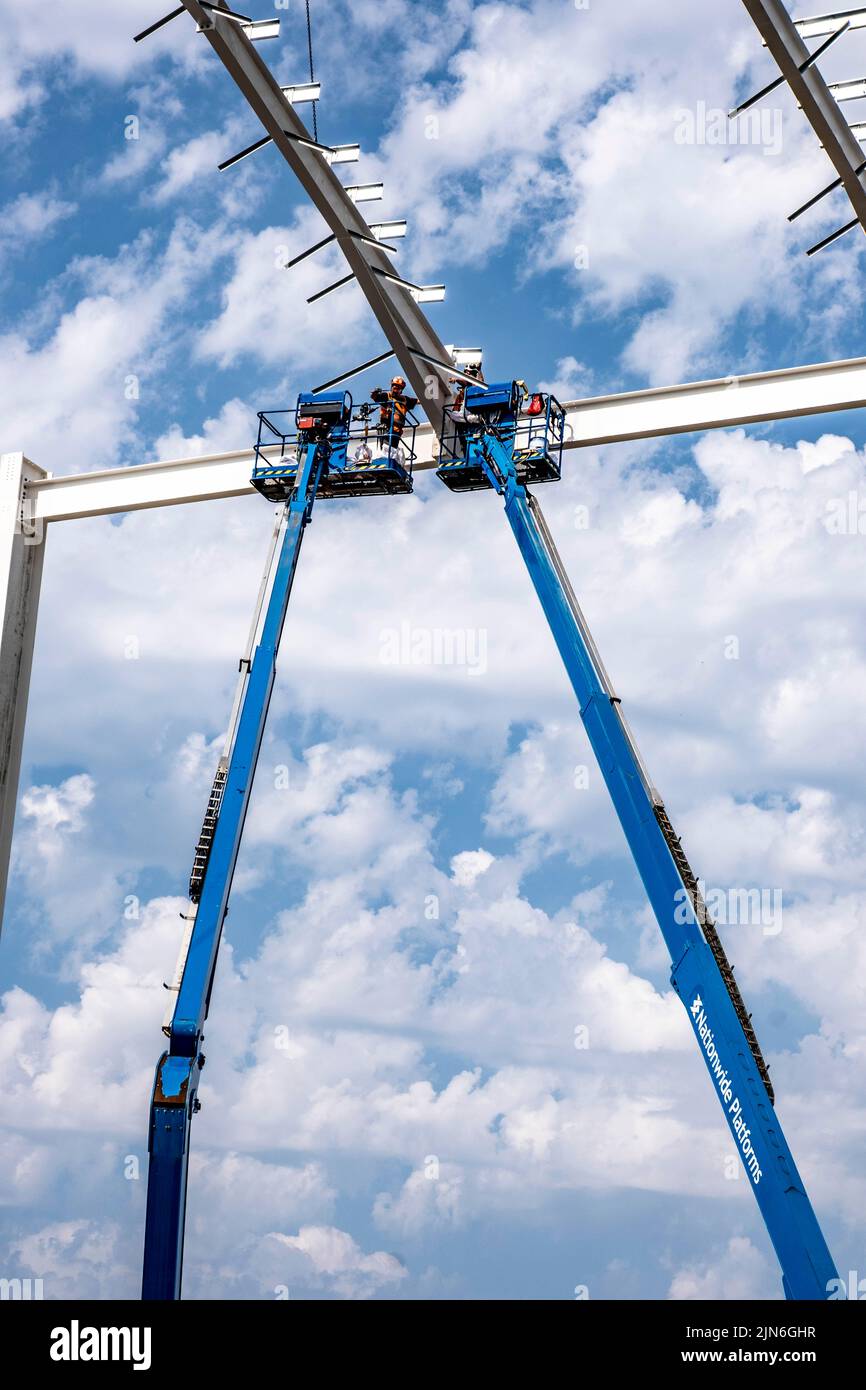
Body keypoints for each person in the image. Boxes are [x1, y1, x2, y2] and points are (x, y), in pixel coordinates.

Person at [371, 376, 418, 450]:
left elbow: (418, 401)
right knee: (386, 450)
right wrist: (375, 392)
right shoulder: (386, 396)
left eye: (397, 388)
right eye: (394, 387)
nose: (395, 390)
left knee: (392, 450)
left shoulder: (405, 400)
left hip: (397, 430)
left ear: (401, 390)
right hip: (386, 429)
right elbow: (374, 397)